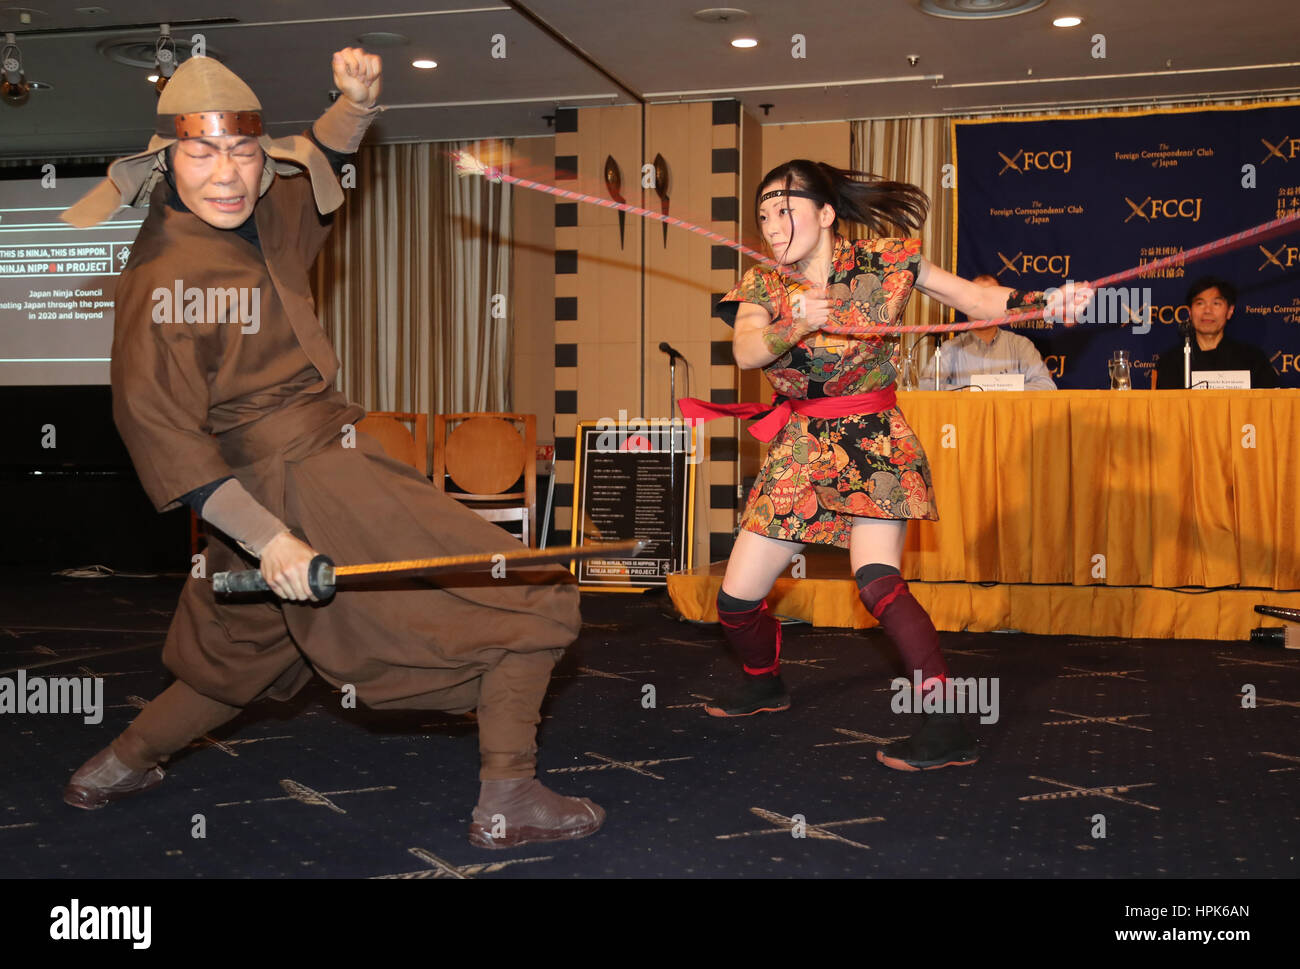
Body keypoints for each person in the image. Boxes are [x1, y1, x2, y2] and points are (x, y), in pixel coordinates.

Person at [58, 51, 602, 848]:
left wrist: (353, 106)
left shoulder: (251, 210)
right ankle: (508, 796)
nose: (228, 174)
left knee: (244, 646)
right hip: (297, 475)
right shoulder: (164, 278)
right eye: (201, 153)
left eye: (243, 151)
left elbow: (315, 169)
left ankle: (114, 765)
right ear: (164, 162)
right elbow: (161, 432)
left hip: (275, 480)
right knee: (531, 591)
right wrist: (273, 537)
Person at [689, 159, 1088, 770]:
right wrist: (794, 324)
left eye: (784, 207)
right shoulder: (763, 284)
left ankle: (946, 721)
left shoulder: (889, 259)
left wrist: (1046, 302)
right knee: (737, 601)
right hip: (801, 445)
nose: (770, 223)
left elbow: (976, 297)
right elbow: (745, 350)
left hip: (874, 437)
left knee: (876, 582)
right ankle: (763, 681)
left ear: (826, 213)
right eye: (763, 213)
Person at [920, 274, 1058, 390]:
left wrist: (1005, 392)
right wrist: (964, 392)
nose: (982, 308)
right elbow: (925, 385)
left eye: (990, 300)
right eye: (976, 300)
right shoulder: (951, 347)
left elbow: (1046, 385)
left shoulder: (1020, 345)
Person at [1153, 276, 1278, 388]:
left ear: (1229, 311)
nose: (1207, 310)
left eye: (1216, 303)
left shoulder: (1253, 359)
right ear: (1190, 312)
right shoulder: (1170, 362)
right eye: (1200, 303)